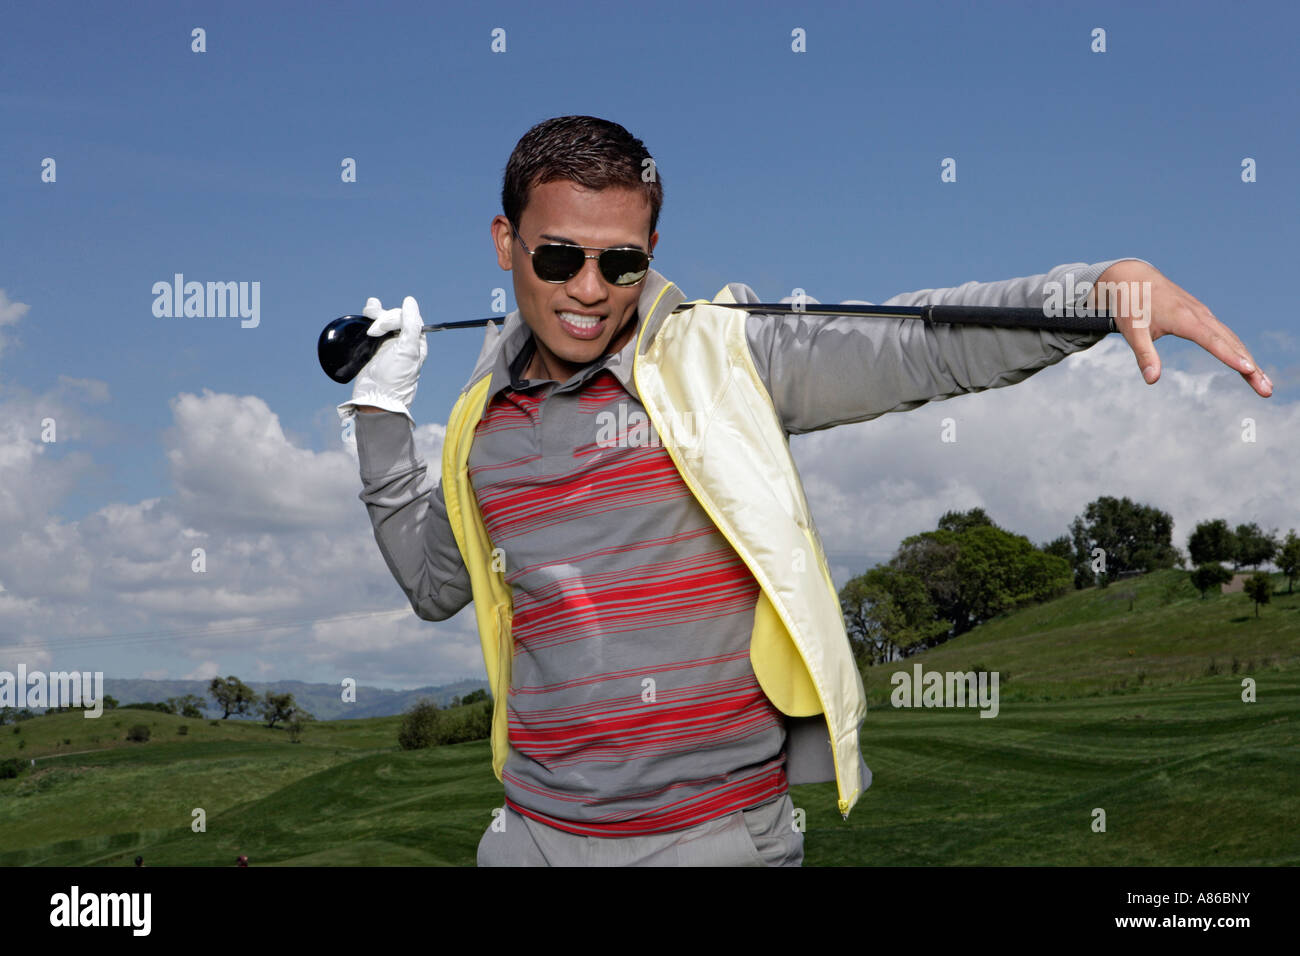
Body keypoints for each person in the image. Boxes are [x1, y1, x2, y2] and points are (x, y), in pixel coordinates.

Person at [338, 115, 1270, 867]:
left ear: (652, 249)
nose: (590, 289)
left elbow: (917, 341)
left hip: (712, 841)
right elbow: (433, 586)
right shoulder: (477, 427)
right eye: (557, 258)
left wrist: (1095, 292)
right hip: (532, 836)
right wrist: (381, 413)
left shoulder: (728, 356)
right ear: (506, 241)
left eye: (621, 262)